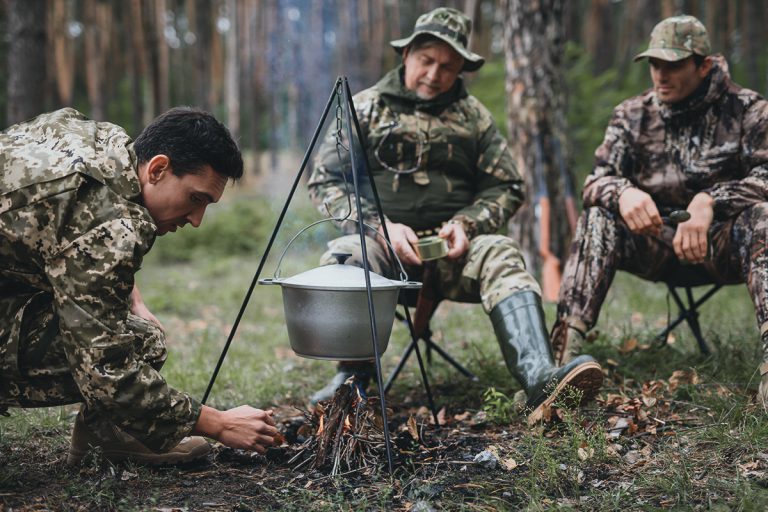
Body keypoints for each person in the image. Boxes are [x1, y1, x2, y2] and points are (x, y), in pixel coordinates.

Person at [307, 7, 603, 423]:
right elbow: (326, 181)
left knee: (500, 251)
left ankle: (539, 377)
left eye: (447, 67)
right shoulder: (366, 109)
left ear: (461, 69)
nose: (434, 74)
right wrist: (379, 226)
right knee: (345, 257)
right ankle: (351, 381)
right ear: (406, 54)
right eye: (426, 60)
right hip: (381, 254)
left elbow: (508, 186)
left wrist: (467, 224)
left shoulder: (474, 118)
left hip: (452, 257)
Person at [0, 107, 279, 465]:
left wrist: (131, 296)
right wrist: (218, 423)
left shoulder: (101, 143)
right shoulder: (109, 226)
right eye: (196, 199)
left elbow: (70, 236)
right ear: (158, 169)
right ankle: (106, 437)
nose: (196, 220)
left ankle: (103, 435)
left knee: (131, 327)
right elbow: (105, 371)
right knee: (140, 342)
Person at [551, 15, 768, 412]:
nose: (660, 75)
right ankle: (560, 367)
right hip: (654, 243)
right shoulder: (632, 115)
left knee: (764, 218)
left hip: (722, 245)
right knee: (597, 217)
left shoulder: (748, 110)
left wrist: (709, 201)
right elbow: (595, 182)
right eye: (654, 64)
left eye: (673, 65)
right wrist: (623, 193)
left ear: (703, 65)